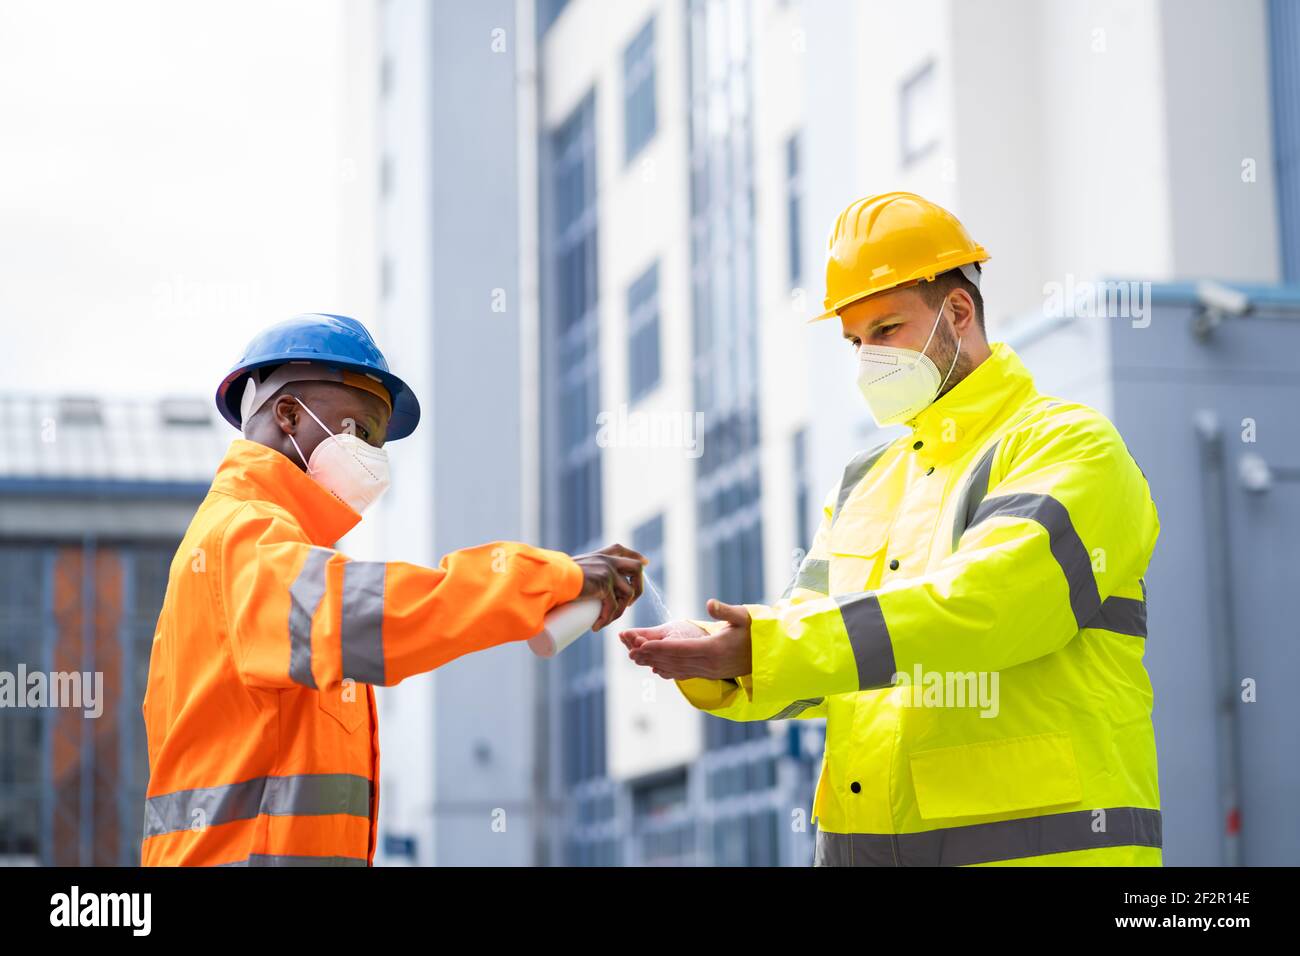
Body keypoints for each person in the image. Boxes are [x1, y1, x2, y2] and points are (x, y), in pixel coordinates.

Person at [621, 192, 1162, 866]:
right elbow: (822, 653)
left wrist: (769, 646)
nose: (866, 360)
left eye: (884, 330)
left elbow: (987, 608)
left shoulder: (1067, 445)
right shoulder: (867, 480)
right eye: (854, 341)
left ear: (957, 313)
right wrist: (721, 654)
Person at [141, 313, 645, 866]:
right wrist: (549, 579)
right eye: (360, 430)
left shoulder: (264, 543)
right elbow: (370, 617)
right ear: (287, 414)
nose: (373, 457)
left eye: (379, 441)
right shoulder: (242, 535)